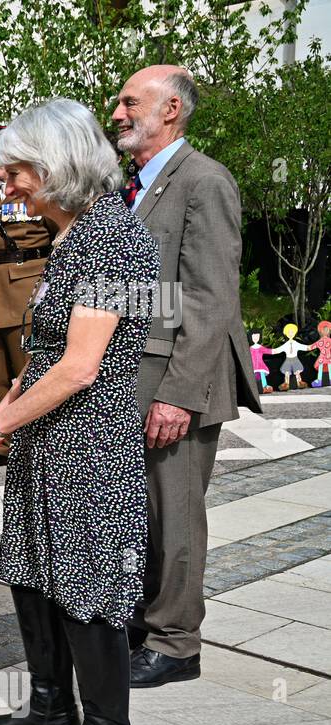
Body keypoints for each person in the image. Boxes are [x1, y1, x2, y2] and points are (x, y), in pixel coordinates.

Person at [0, 98, 160, 725]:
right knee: (34, 574)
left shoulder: (113, 239)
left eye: (18, 172)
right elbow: (42, 360)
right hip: (48, 445)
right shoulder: (71, 237)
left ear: (55, 167)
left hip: (90, 449)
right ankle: (51, 710)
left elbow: (79, 366)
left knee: (87, 586)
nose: (7, 186)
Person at [112, 65, 263, 688]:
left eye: (129, 103)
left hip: (180, 379)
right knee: (142, 511)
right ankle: (148, 622)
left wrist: (177, 392)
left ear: (170, 109)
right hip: (138, 370)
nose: (116, 113)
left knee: (175, 512)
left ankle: (176, 643)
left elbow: (208, 298)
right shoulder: (137, 185)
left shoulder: (203, 181)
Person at [0, 125, 57, 424]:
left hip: (25, 292)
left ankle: (31, 431)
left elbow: (57, 238)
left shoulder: (38, 192)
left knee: (28, 370)